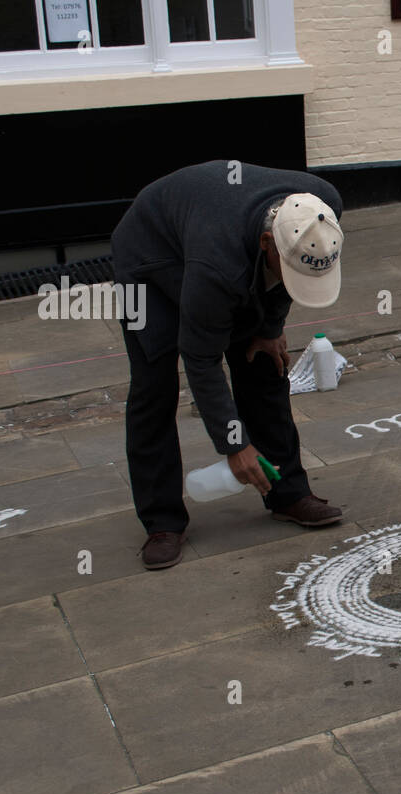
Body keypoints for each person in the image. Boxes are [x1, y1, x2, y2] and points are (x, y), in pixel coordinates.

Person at [111, 160, 344, 571]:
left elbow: (289, 277)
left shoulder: (323, 208)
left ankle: (287, 493)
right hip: (148, 259)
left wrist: (270, 326)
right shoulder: (218, 266)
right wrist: (233, 445)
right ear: (267, 243)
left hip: (215, 235)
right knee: (154, 384)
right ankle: (162, 522)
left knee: (262, 358)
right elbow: (200, 358)